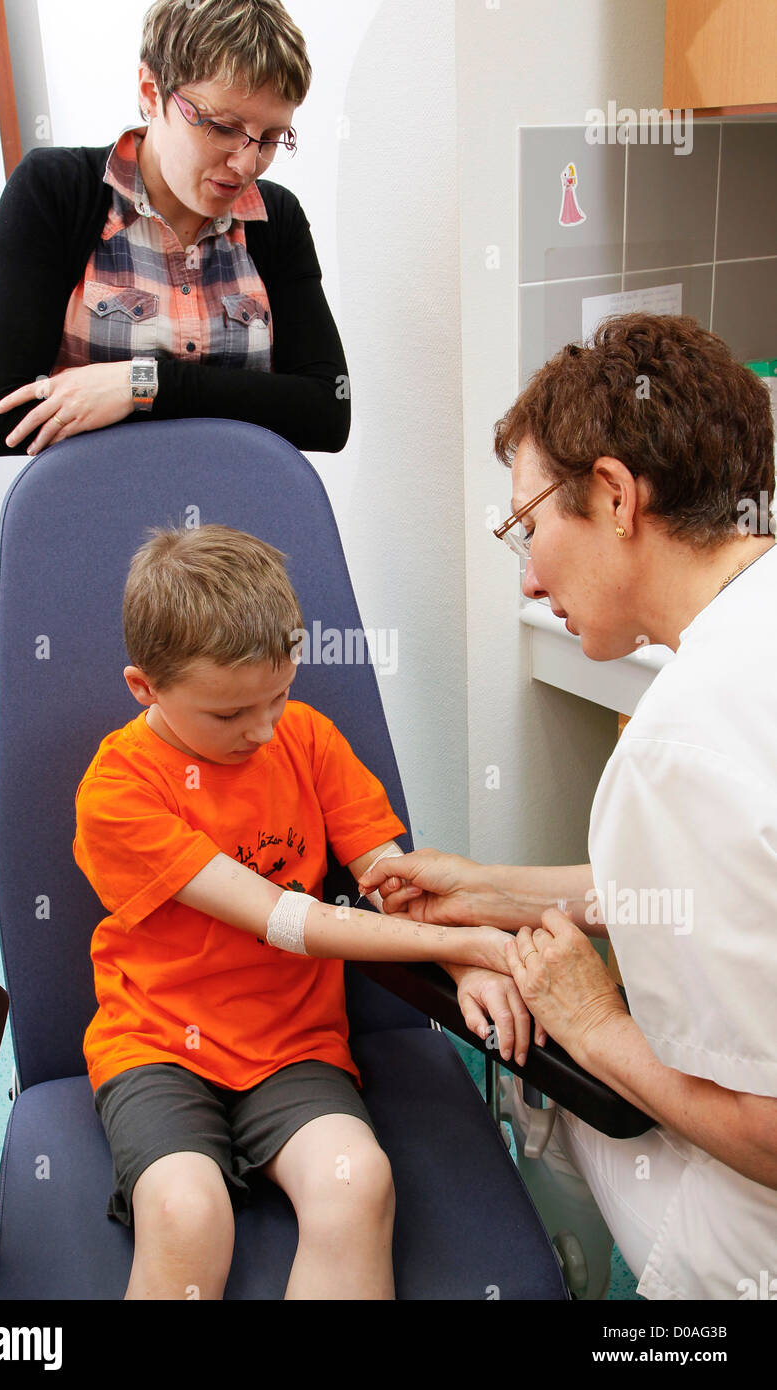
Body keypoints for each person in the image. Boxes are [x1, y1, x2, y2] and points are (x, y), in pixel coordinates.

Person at [359, 313, 777, 1301]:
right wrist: (488, 890)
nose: (529, 574)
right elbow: (717, 884)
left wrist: (592, 1028)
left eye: (528, 526)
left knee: (544, 1064)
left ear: (616, 496)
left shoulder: (677, 744)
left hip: (748, 1244)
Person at [73, 523, 517, 1300]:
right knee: (184, 1211)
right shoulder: (118, 792)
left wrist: (460, 962)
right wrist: (478, 942)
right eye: (228, 714)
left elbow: (393, 880)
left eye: (279, 695)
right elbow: (283, 919)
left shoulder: (306, 739)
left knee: (358, 1184)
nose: (263, 729)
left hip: (293, 1045)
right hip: (159, 1045)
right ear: (145, 688)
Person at [0, 0, 349, 459]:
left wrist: (141, 384)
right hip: (99, 500)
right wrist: (239, 399)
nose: (247, 164)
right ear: (151, 92)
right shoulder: (55, 192)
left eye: (270, 138)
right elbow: (5, 418)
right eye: (222, 128)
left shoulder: (277, 219)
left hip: (243, 502)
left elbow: (328, 411)